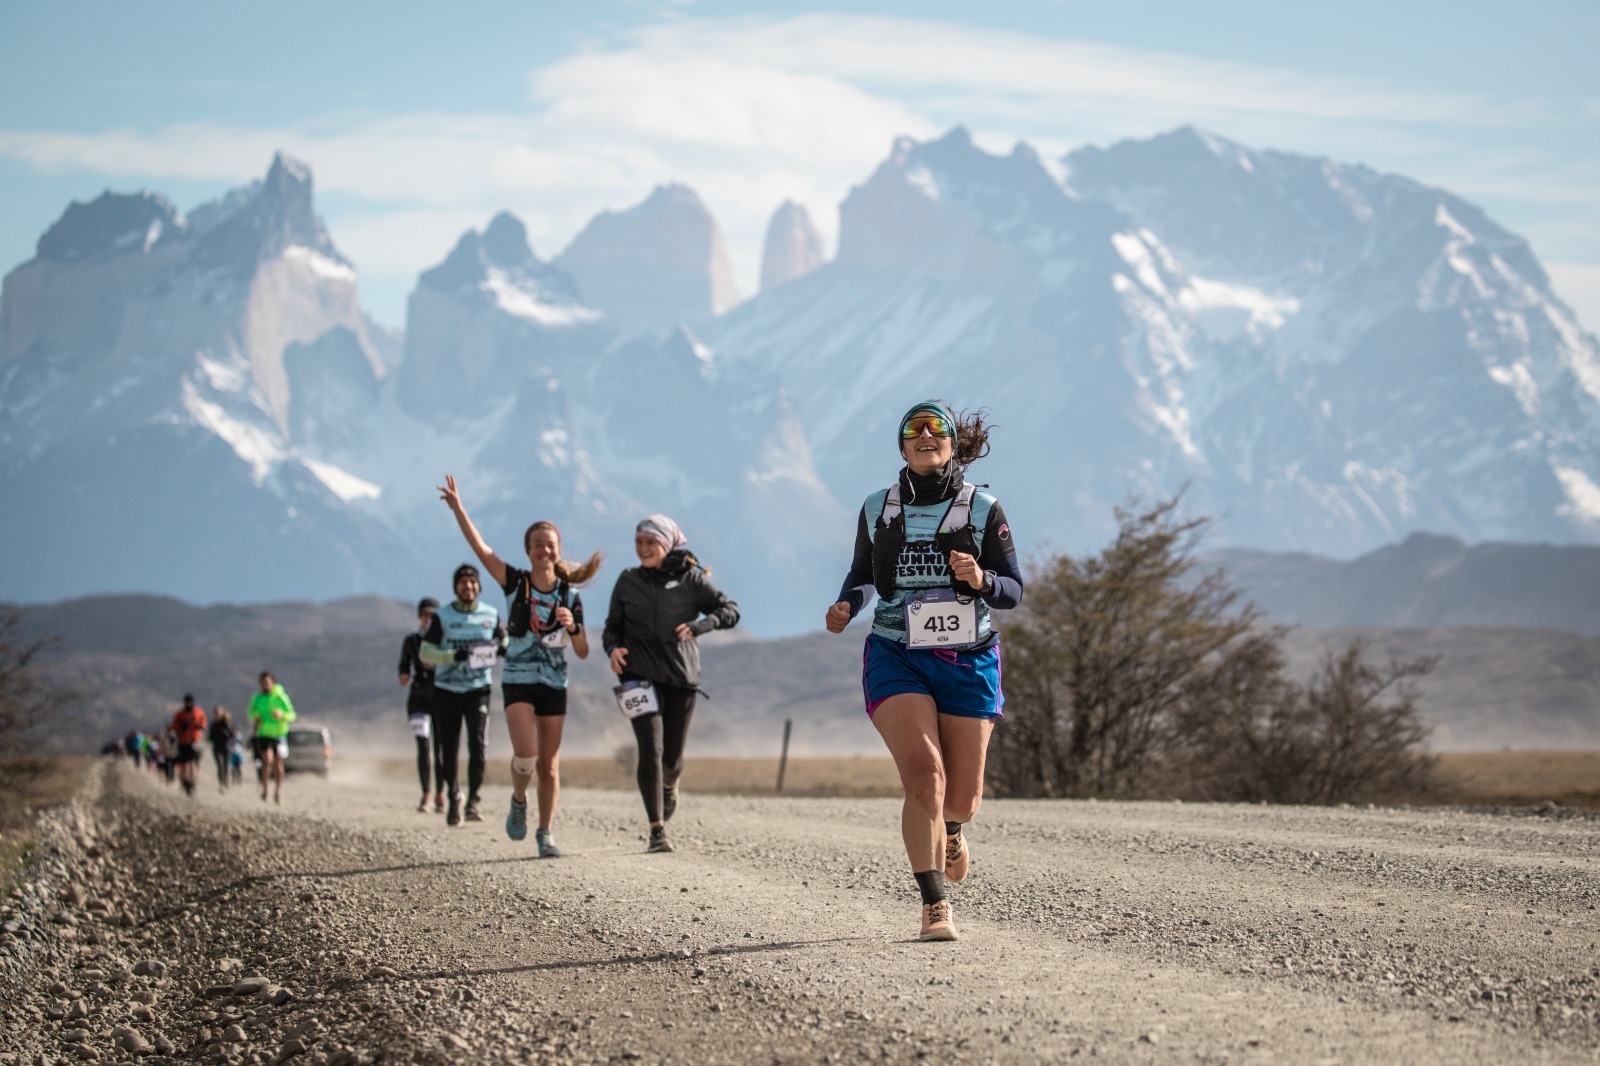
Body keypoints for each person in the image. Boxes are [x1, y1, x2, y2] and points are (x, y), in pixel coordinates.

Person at [824, 402, 1022, 942]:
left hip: (969, 658)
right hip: (896, 651)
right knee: (925, 777)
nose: (926, 435)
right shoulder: (877, 508)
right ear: (903, 445)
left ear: (954, 444)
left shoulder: (983, 507)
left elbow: (1014, 590)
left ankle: (953, 830)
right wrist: (847, 604)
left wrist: (981, 580)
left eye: (937, 429)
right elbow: (863, 576)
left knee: (960, 798)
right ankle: (935, 904)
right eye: (915, 429)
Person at [438, 477, 602, 856]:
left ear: (558, 550)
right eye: (538, 544)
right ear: (528, 551)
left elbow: (581, 651)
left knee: (549, 767)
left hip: (553, 683)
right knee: (526, 758)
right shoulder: (516, 583)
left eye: (550, 544)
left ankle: (545, 833)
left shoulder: (569, 594)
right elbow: (482, 551)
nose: (544, 549)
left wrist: (572, 625)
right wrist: (458, 509)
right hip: (517, 679)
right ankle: (518, 799)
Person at [603, 514, 739, 854]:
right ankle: (656, 831)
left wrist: (700, 626)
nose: (644, 549)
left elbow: (730, 609)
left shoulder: (690, 579)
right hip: (636, 677)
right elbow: (612, 627)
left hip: (680, 677)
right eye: (639, 542)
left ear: (665, 544)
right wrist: (612, 649)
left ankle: (669, 785)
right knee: (650, 749)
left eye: (651, 542)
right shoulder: (627, 580)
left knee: (672, 760)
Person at [417, 562, 503, 827]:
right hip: (447, 690)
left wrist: (501, 648)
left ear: (479, 586)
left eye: (473, 582)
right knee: (448, 749)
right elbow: (424, 653)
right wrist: (454, 656)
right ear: (456, 587)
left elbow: (504, 640)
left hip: (479, 688)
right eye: (463, 582)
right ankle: (454, 796)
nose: (468, 586)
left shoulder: (491, 613)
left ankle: (473, 800)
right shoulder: (442, 617)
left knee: (477, 746)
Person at [398, 596, 446, 813]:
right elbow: (403, 666)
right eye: (425, 614)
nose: (428, 618)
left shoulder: (444, 639)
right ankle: (426, 792)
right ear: (419, 616)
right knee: (423, 746)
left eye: (432, 615)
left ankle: (440, 793)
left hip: (441, 697)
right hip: (418, 698)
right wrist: (404, 674)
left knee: (441, 749)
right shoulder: (411, 640)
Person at [247, 671, 296, 803]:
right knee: (267, 761)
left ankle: (278, 790)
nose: (265, 684)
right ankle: (265, 787)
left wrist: (282, 715)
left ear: (273, 682)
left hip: (279, 734)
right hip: (264, 734)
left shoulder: (281, 697)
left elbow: (292, 715)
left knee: (278, 763)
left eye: (267, 682)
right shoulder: (257, 698)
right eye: (263, 682)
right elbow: (251, 712)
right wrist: (255, 717)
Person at [206, 707, 236, 792]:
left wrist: (226, 733)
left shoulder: (226, 723)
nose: (217, 715)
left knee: (226, 765)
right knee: (220, 765)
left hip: (226, 746)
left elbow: (232, 734)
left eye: (218, 713)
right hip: (216, 747)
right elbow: (210, 737)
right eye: (215, 713)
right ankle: (221, 783)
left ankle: (226, 781)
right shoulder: (213, 724)